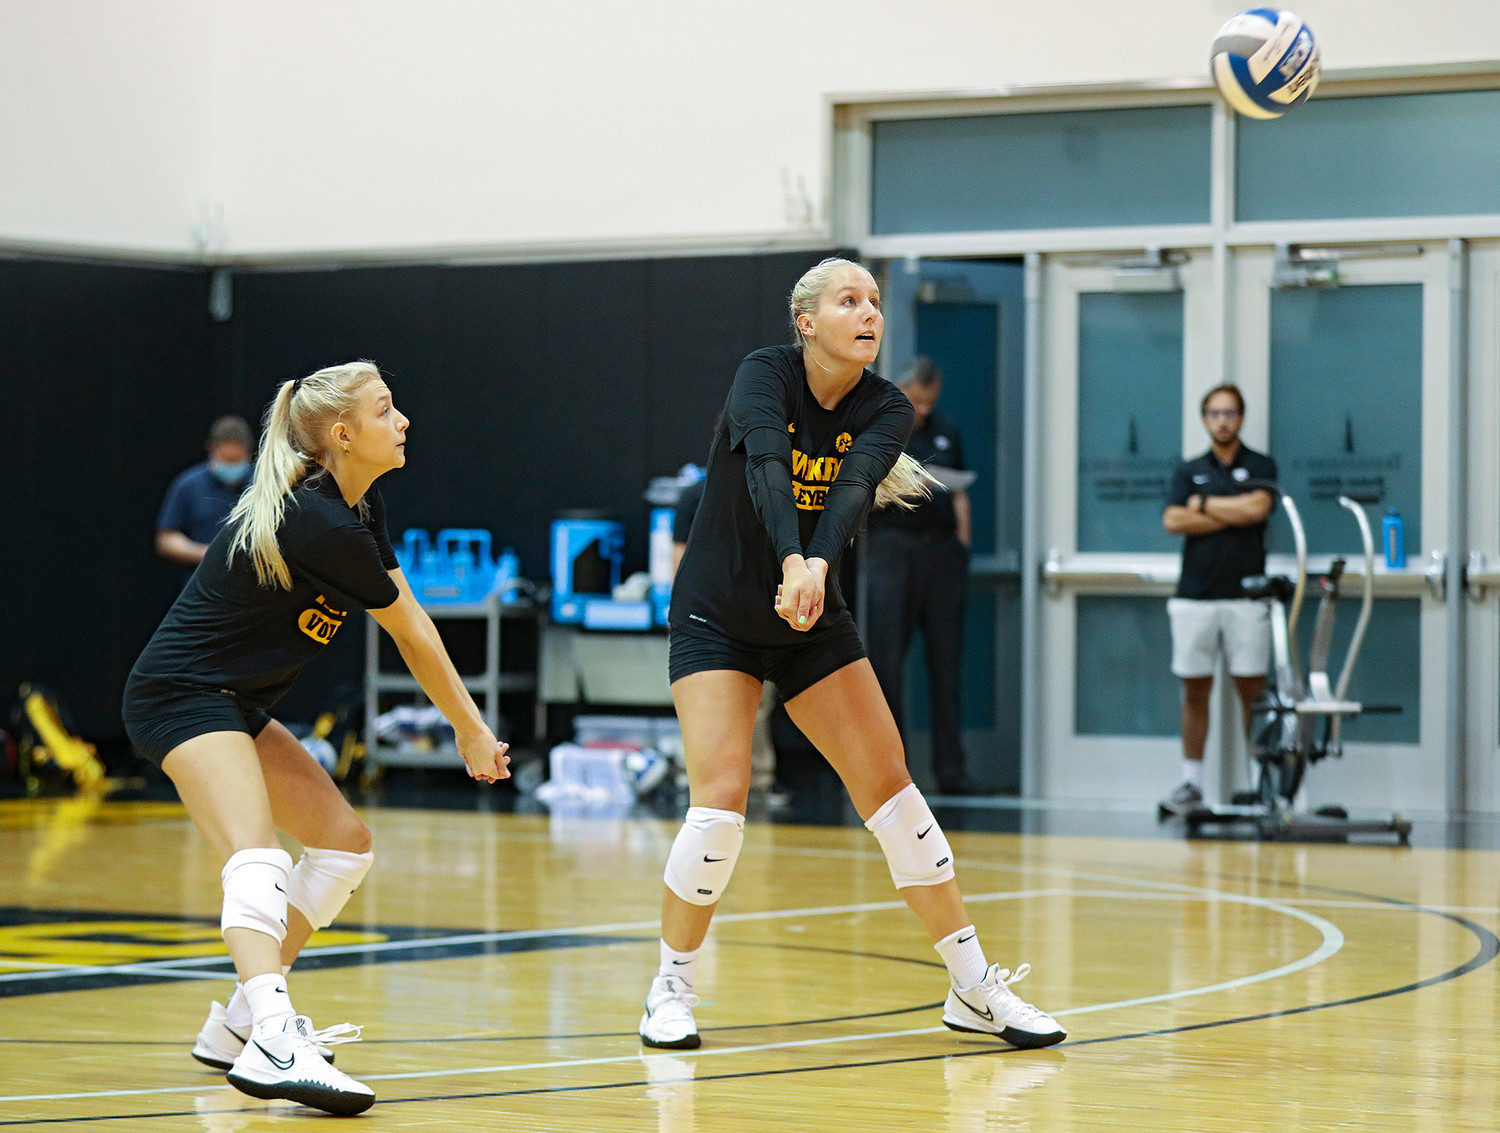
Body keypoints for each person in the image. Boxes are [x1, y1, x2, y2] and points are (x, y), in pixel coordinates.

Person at [638, 257, 1064, 1053]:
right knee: (720, 805)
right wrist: (792, 561)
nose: (869, 312)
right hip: (718, 612)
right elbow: (769, 471)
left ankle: (973, 988)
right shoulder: (763, 374)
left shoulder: (887, 406)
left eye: (874, 300)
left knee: (896, 799)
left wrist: (814, 567)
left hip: (811, 614)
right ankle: (671, 987)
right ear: (806, 322)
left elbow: (851, 492)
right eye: (848, 300)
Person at [122, 361, 510, 1115]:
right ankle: (274, 1037)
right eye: (385, 409)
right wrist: (470, 729)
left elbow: (412, 618)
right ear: (343, 434)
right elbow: (411, 634)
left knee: (343, 844)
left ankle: (238, 1023)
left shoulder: (359, 507)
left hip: (235, 702)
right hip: (182, 695)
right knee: (258, 855)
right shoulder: (319, 520)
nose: (403, 421)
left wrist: (470, 724)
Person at [1159, 383, 1277, 815]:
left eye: (1229, 413)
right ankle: (1192, 784)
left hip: (1247, 597)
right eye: (1214, 413)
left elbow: (1257, 509)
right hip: (1196, 597)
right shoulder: (1188, 469)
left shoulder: (1261, 465)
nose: (1222, 421)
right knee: (1195, 690)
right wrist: (1232, 512)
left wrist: (1204, 505)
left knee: (1253, 691)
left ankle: (1263, 783)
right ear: (1204, 419)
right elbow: (1174, 520)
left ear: (1240, 417)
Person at [864, 356, 976, 795]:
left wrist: (962, 547)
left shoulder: (948, 429)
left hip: (942, 554)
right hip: (893, 550)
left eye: (931, 401)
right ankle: (893, 774)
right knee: (886, 665)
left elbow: (961, 494)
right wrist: (903, 487)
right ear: (901, 389)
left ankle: (951, 770)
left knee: (947, 666)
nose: (924, 409)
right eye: (917, 400)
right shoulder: (879, 427)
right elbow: (860, 494)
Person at [672, 474, 780, 800]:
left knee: (755, 703)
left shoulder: (768, 489)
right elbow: (680, 556)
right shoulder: (696, 495)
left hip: (756, 609)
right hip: (712, 612)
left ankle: (755, 781)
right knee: (704, 702)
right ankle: (695, 779)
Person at [156, 415, 255, 571]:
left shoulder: (260, 485)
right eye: (226, 460)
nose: (231, 466)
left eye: (236, 460)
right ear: (212, 449)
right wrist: (208, 554)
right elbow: (167, 538)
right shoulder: (188, 484)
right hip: (201, 579)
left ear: (248, 451)